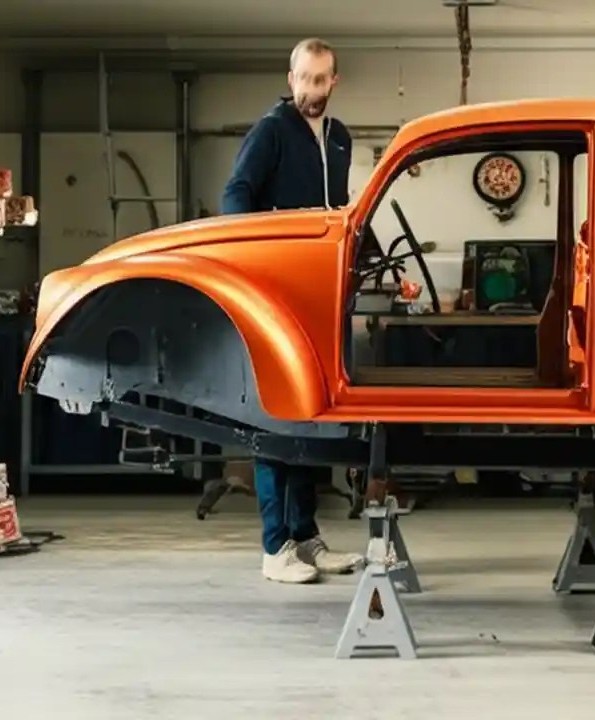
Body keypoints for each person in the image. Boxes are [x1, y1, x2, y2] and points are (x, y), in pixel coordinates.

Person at [220, 37, 362, 584]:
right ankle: (274, 545)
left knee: (310, 422)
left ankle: (305, 538)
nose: (309, 90)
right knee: (275, 420)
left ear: (334, 81)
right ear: (290, 76)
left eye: (319, 80)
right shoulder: (272, 130)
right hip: (275, 298)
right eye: (302, 78)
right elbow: (236, 197)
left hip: (319, 299)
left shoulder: (341, 140)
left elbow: (338, 216)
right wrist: (255, 270)